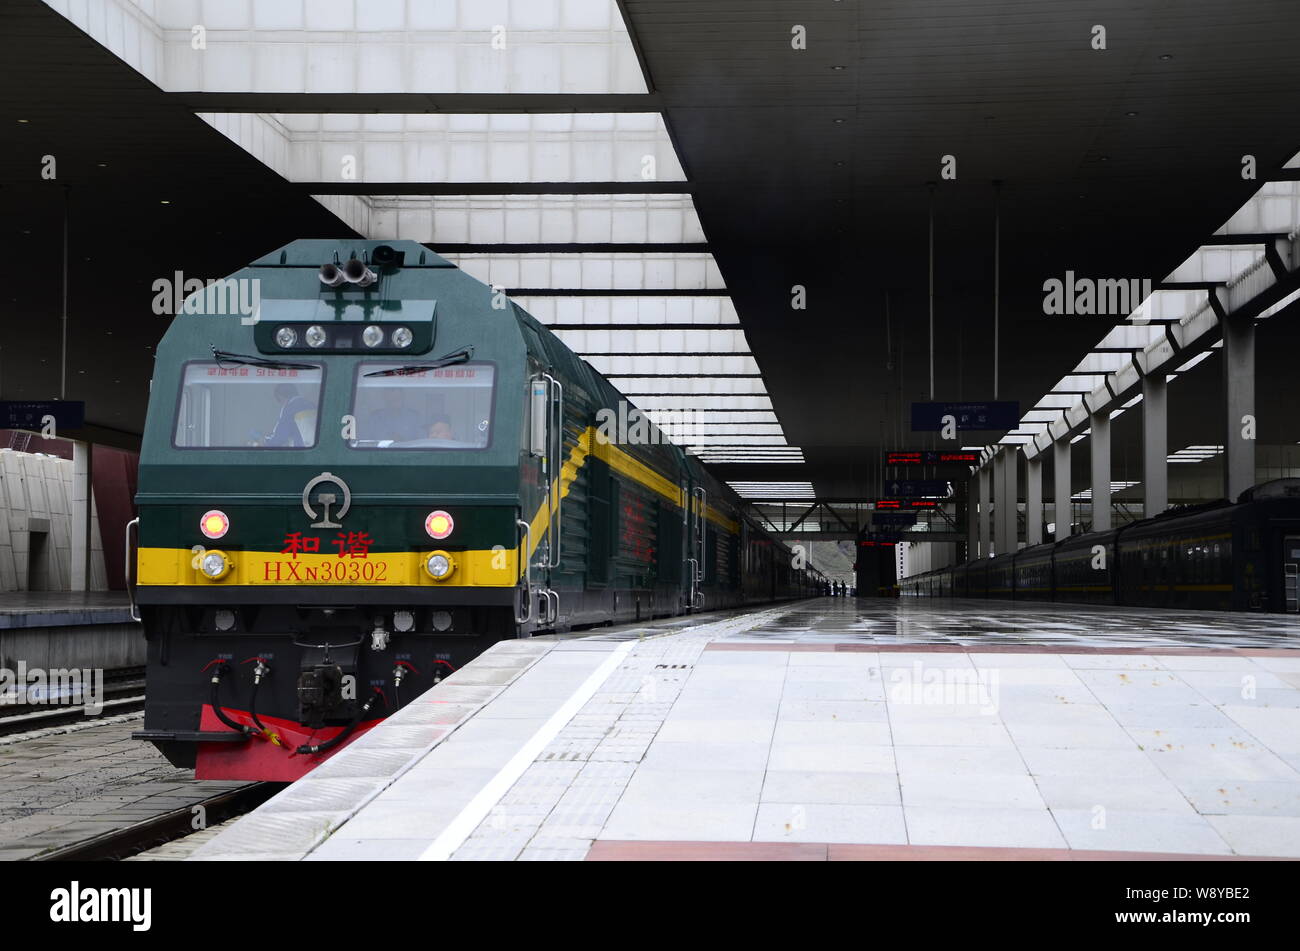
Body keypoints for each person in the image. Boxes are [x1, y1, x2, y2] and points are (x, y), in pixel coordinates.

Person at [265, 383, 316, 447]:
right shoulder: (311, 404)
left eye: (279, 400)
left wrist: (267, 440)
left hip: (301, 450)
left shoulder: (290, 408)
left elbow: (280, 437)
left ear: (281, 397)